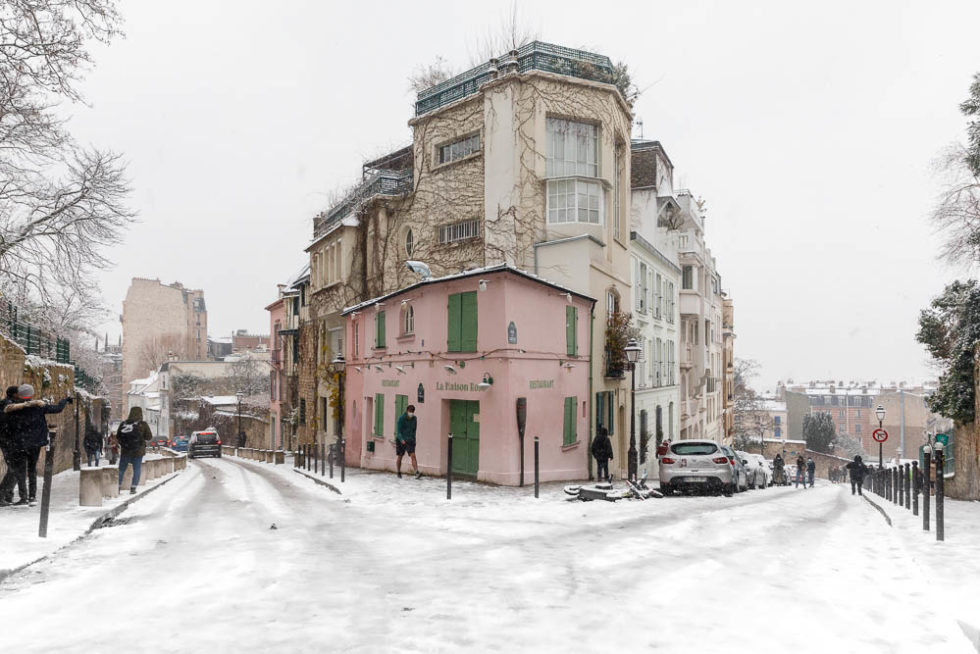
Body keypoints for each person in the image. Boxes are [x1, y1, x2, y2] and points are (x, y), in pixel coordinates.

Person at [3, 384, 71, 503]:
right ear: (31, 394)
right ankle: (32, 497)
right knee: (32, 469)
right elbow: (57, 409)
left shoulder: (13, 409)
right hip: (35, 443)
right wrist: (64, 400)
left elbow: (7, 422)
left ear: (19, 395)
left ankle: (23, 497)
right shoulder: (39, 406)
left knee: (20, 471)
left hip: (20, 443)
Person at [0, 385, 30, 506]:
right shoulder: (6, 405)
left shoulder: (14, 403)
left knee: (15, 469)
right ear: (14, 394)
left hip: (11, 442)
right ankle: (2, 496)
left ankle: (7, 496)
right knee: (14, 469)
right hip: (8, 442)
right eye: (19, 393)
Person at [115, 407, 153, 494]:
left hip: (125, 451)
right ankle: (133, 488)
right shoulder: (142, 424)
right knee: (137, 469)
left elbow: (118, 437)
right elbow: (149, 437)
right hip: (138, 452)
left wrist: (125, 444)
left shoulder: (123, 424)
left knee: (121, 470)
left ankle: (118, 487)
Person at [395, 404, 420, 479]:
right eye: (410, 411)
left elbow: (414, 430)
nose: (411, 413)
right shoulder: (401, 419)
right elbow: (398, 431)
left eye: (412, 412)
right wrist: (401, 440)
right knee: (400, 456)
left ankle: (416, 472)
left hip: (410, 440)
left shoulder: (414, 419)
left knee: (413, 455)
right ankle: (398, 471)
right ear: (407, 411)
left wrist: (414, 439)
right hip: (401, 440)